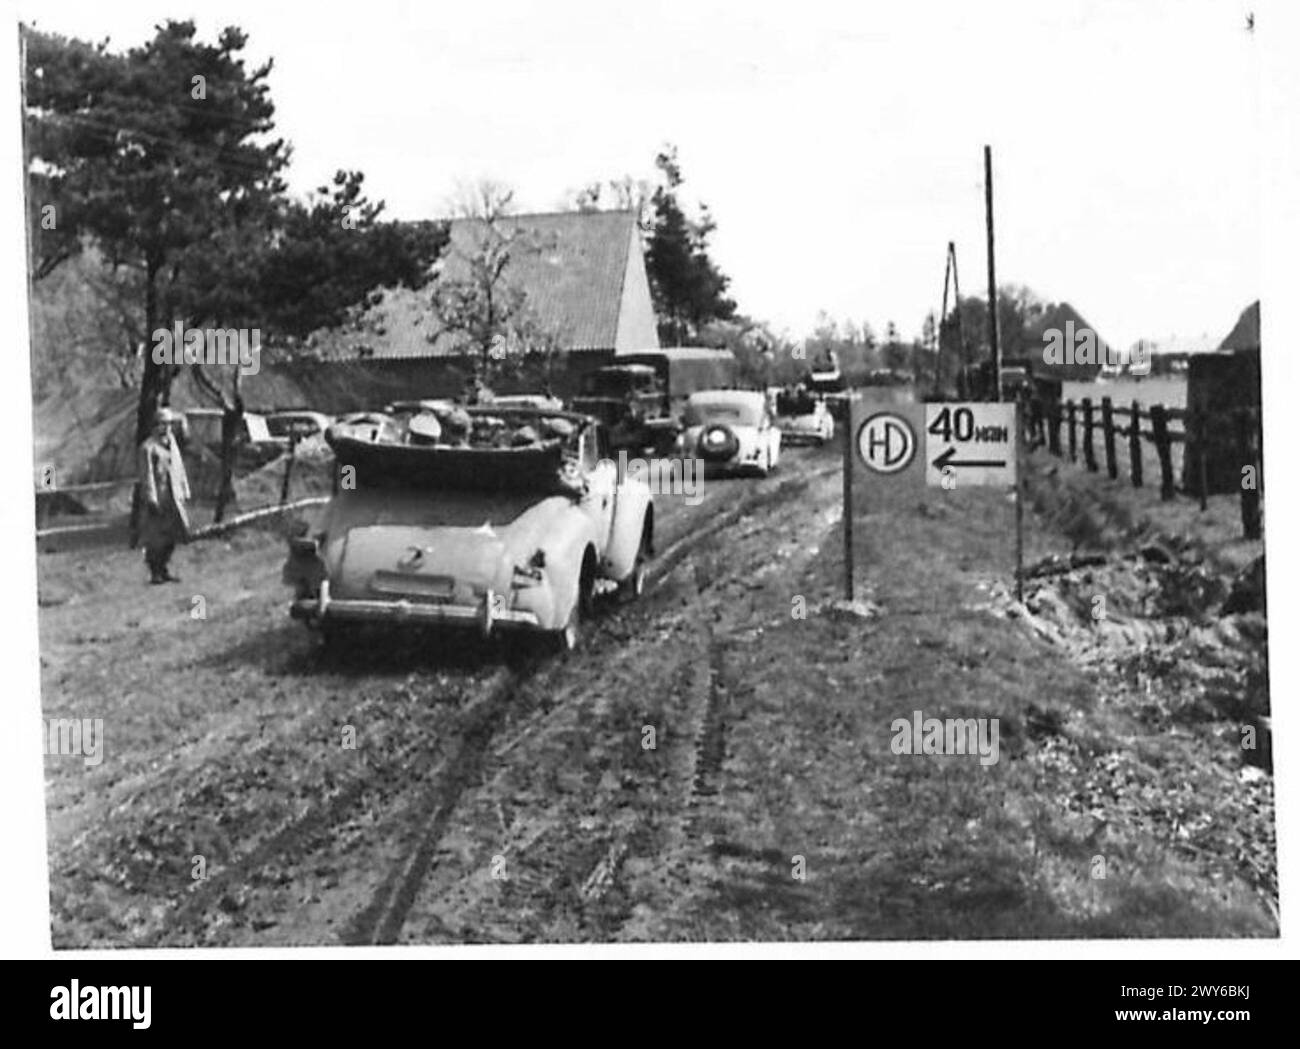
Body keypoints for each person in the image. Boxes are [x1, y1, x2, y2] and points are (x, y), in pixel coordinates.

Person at [136, 407, 191, 584]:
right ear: (155, 425)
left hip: (174, 496)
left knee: (173, 535)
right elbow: (147, 475)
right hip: (159, 498)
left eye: (168, 424)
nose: (166, 428)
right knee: (155, 538)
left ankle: (165, 568)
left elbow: (179, 467)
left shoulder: (172, 443)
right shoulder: (148, 448)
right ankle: (155, 571)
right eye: (162, 424)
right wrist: (151, 498)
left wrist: (185, 489)